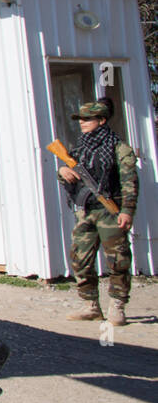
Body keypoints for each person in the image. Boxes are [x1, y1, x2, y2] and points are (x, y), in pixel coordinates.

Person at [57, 100, 137, 326]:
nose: (82, 123)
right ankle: (90, 304)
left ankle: (118, 305)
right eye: (80, 119)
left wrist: (127, 211)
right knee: (80, 258)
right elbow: (69, 173)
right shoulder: (80, 148)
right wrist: (63, 170)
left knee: (118, 260)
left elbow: (129, 181)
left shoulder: (119, 148)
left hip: (110, 211)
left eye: (87, 119)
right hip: (86, 211)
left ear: (101, 121)